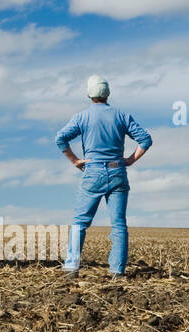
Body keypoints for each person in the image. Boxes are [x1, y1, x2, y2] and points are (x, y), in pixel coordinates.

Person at [54, 75, 152, 276]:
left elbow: (60, 139)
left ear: (88, 94)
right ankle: (117, 271)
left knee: (80, 222)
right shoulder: (122, 116)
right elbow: (145, 140)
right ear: (108, 94)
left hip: (93, 171)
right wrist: (131, 160)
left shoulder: (81, 117)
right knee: (119, 224)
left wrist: (74, 160)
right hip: (118, 171)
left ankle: (71, 267)